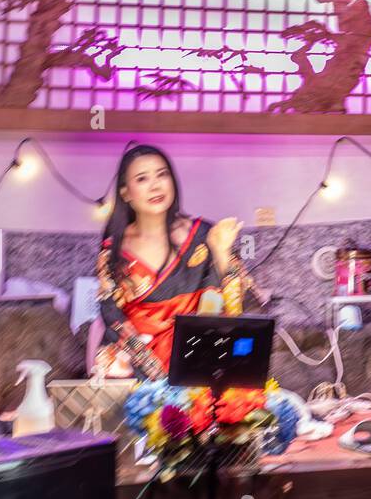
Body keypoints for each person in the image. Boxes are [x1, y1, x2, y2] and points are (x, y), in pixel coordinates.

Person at [94, 144, 253, 380]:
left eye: (162, 174)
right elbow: (112, 317)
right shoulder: (113, 251)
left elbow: (235, 308)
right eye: (142, 179)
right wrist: (156, 374)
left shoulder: (205, 235)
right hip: (134, 366)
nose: (156, 185)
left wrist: (220, 252)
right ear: (126, 193)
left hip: (199, 359)